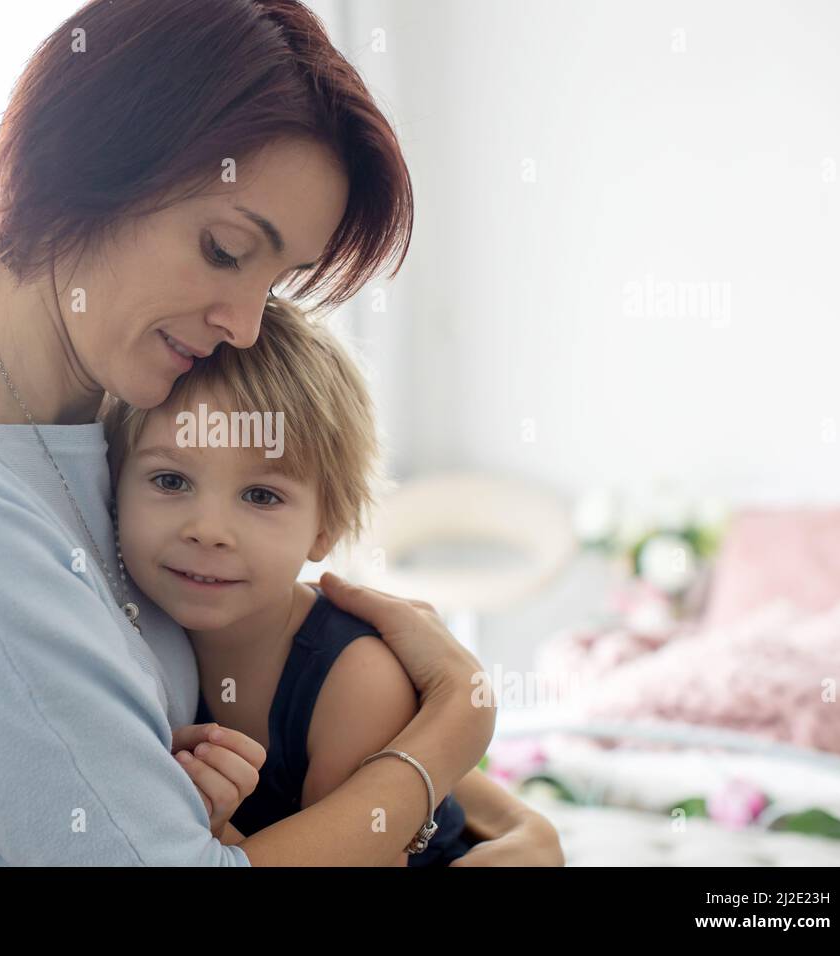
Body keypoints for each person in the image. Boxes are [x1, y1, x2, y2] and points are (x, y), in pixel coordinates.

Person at [0, 0, 562, 865]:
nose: (247, 324)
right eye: (223, 248)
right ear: (83, 166)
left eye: (278, 278)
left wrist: (508, 819)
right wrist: (450, 729)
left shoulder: (114, 432)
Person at [102, 297, 559, 864]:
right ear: (112, 488)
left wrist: (215, 838)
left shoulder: (355, 680)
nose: (208, 530)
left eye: (262, 495)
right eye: (170, 480)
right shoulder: (113, 633)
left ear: (327, 528)